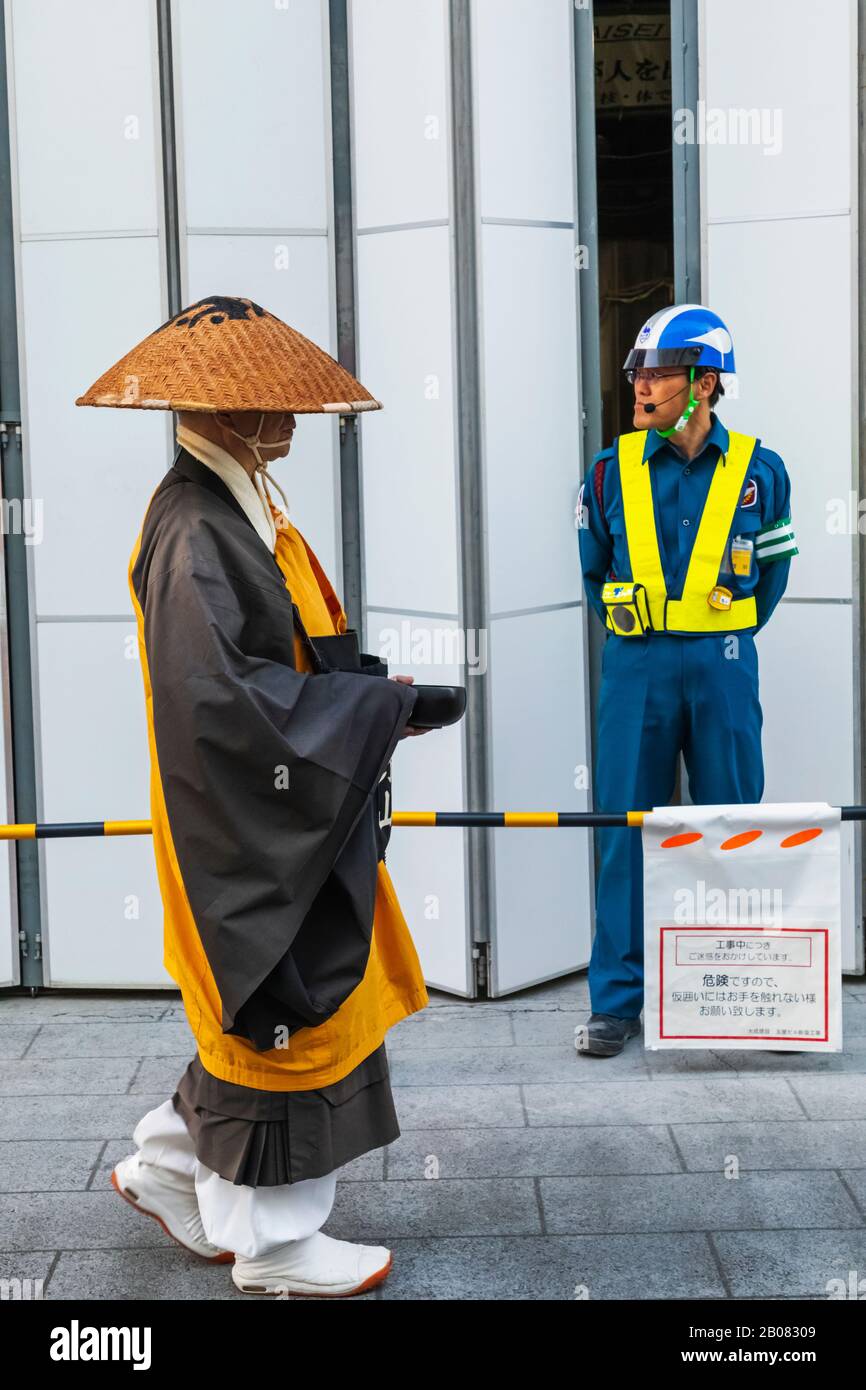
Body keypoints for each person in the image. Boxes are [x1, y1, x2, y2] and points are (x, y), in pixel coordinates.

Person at [75, 295, 435, 1296]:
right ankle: (275, 1243)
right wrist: (363, 713)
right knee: (285, 1005)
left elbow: (278, 656)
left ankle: (167, 1161)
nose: (296, 420)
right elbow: (225, 703)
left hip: (263, 799)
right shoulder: (197, 525)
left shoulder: (233, 498)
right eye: (281, 407)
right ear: (232, 414)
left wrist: (370, 695)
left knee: (257, 1003)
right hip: (239, 815)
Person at [575, 304, 797, 1057]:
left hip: (722, 665)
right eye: (637, 372)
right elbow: (594, 572)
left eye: (656, 373)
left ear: (703, 385)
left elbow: (771, 578)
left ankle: (733, 990)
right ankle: (618, 1003)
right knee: (622, 831)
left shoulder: (759, 473)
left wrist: (717, 638)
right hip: (635, 669)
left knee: (732, 823)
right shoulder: (609, 471)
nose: (639, 385)